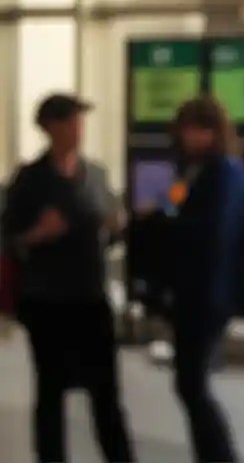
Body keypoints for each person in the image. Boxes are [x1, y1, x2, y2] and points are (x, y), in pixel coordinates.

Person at [0, 93, 135, 463]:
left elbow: (111, 227)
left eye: (80, 122)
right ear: (51, 127)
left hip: (92, 297)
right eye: (71, 122)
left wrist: (115, 228)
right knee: (51, 392)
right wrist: (36, 235)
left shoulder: (96, 174)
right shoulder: (29, 180)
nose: (78, 130)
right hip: (48, 302)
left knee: (106, 393)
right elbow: (8, 241)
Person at [167, 95, 244, 463]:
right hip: (203, 292)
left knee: (191, 384)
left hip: (204, 293)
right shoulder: (214, 171)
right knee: (190, 383)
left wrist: (165, 224)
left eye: (192, 129)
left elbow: (210, 233)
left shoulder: (221, 174)